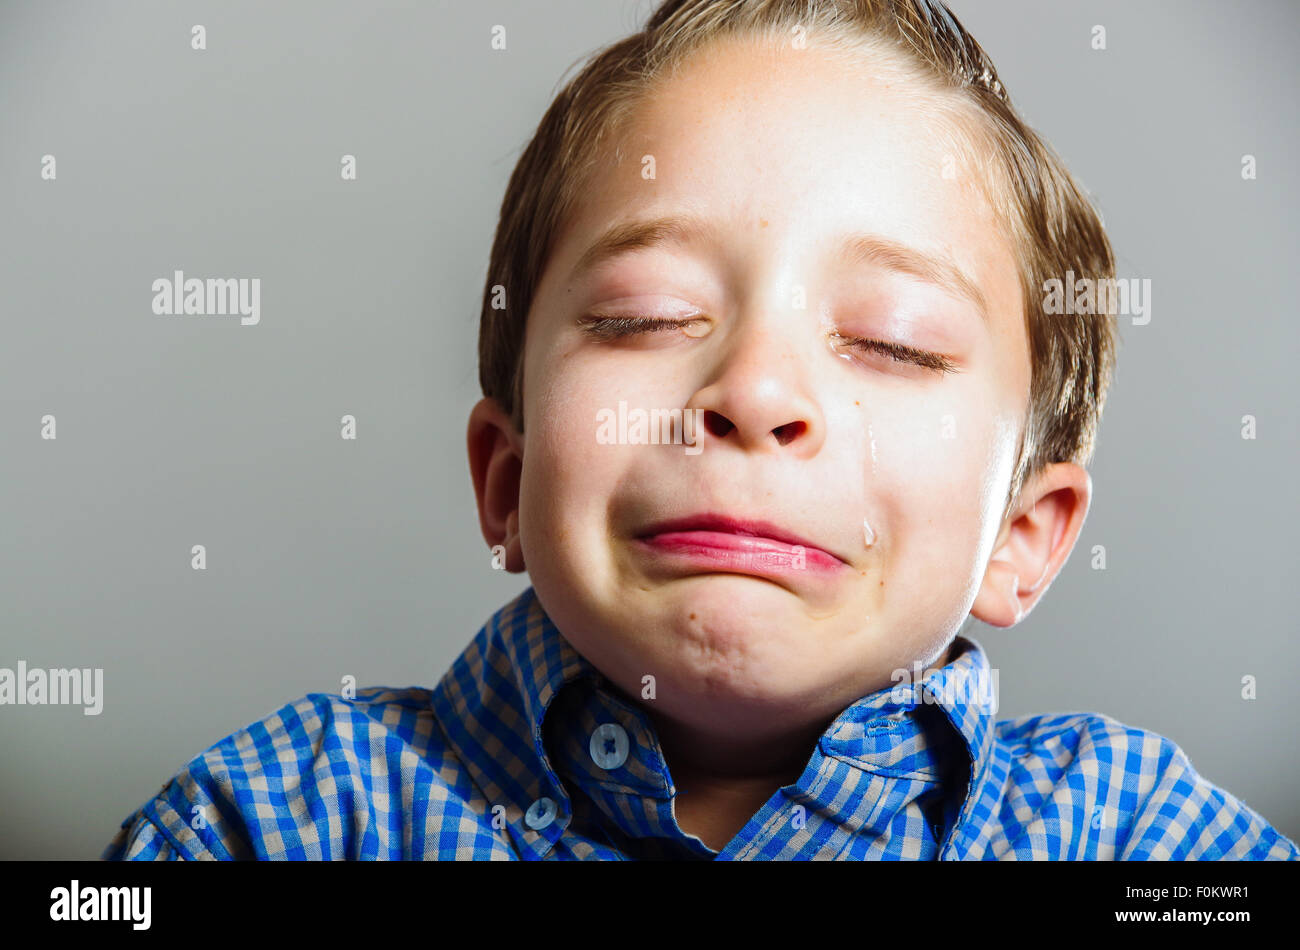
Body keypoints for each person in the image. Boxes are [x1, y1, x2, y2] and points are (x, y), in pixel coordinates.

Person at [104, 0, 1298, 860]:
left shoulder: (1136, 836)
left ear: (1023, 534)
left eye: (891, 340)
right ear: (504, 478)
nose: (753, 390)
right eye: (646, 315)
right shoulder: (271, 821)